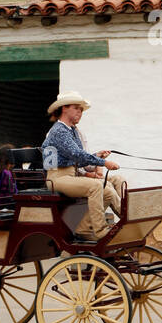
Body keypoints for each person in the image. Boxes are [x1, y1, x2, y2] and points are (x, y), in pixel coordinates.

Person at [40, 91, 123, 240]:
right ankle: (100, 230)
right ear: (64, 108)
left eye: (81, 110)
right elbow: (77, 155)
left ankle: (86, 226)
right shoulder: (59, 131)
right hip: (56, 178)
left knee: (107, 190)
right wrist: (104, 162)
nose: (80, 112)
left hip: (69, 175)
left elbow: (79, 158)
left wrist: (97, 156)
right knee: (96, 186)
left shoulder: (71, 131)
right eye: (76, 108)